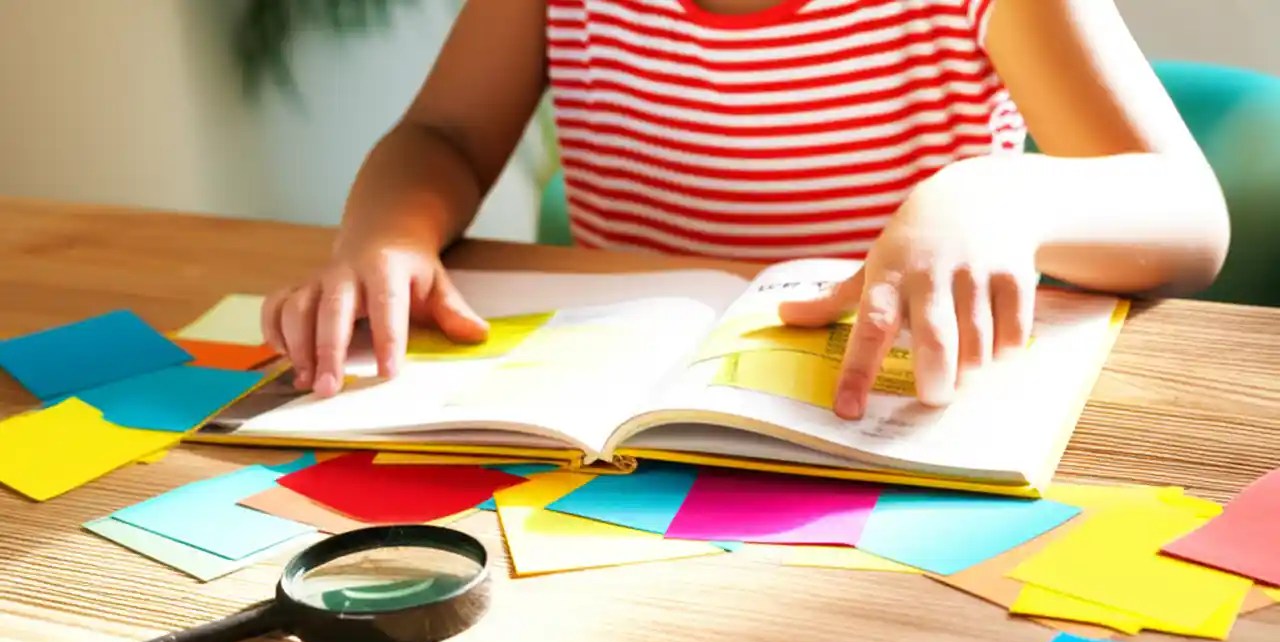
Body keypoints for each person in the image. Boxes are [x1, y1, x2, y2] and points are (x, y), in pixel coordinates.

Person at [261, 0, 1230, 420]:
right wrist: (388, 237)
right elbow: (443, 135)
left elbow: (1186, 214)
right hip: (617, 439)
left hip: (886, 418)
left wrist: (995, 193)